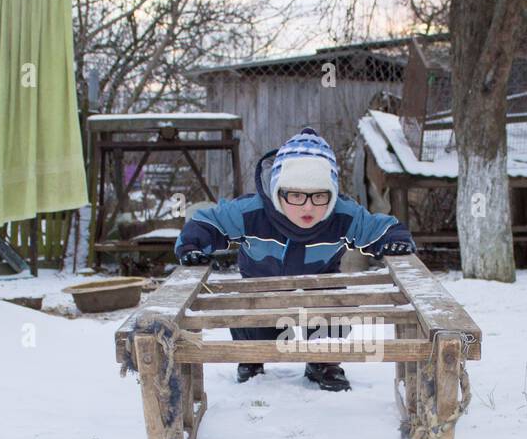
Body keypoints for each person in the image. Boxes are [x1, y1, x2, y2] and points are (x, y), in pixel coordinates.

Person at [174, 127, 415, 391]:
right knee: (256, 319)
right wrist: (192, 244)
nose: (308, 207)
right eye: (296, 195)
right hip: (261, 281)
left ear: (331, 195)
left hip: (319, 280)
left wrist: (394, 240)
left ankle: (323, 361)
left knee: (332, 305)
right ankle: (251, 357)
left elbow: (381, 227)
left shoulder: (342, 215)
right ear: (279, 191)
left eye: (319, 196)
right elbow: (209, 221)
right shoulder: (251, 212)